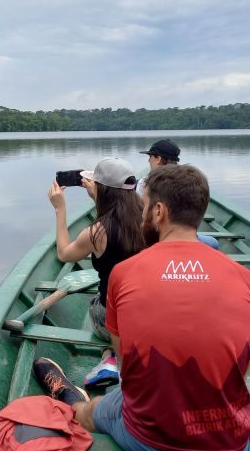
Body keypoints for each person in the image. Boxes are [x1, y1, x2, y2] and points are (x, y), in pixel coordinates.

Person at [36, 164, 250, 451]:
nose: (141, 213)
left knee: (92, 411)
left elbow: (128, 365)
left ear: (159, 212)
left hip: (146, 437)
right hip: (230, 440)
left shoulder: (123, 274)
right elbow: (241, 367)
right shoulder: (247, 279)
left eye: (145, 206)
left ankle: (69, 398)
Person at [48, 157, 147, 388]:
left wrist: (60, 209)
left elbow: (64, 253)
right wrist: (99, 196)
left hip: (112, 319)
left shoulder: (97, 232)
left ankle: (108, 357)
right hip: (147, 315)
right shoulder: (149, 218)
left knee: (96, 303)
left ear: (102, 190)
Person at [137, 139, 218, 250]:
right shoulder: (187, 180)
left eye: (150, 157)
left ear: (158, 159)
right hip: (187, 235)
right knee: (214, 243)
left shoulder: (145, 183)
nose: (148, 160)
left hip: (154, 235)